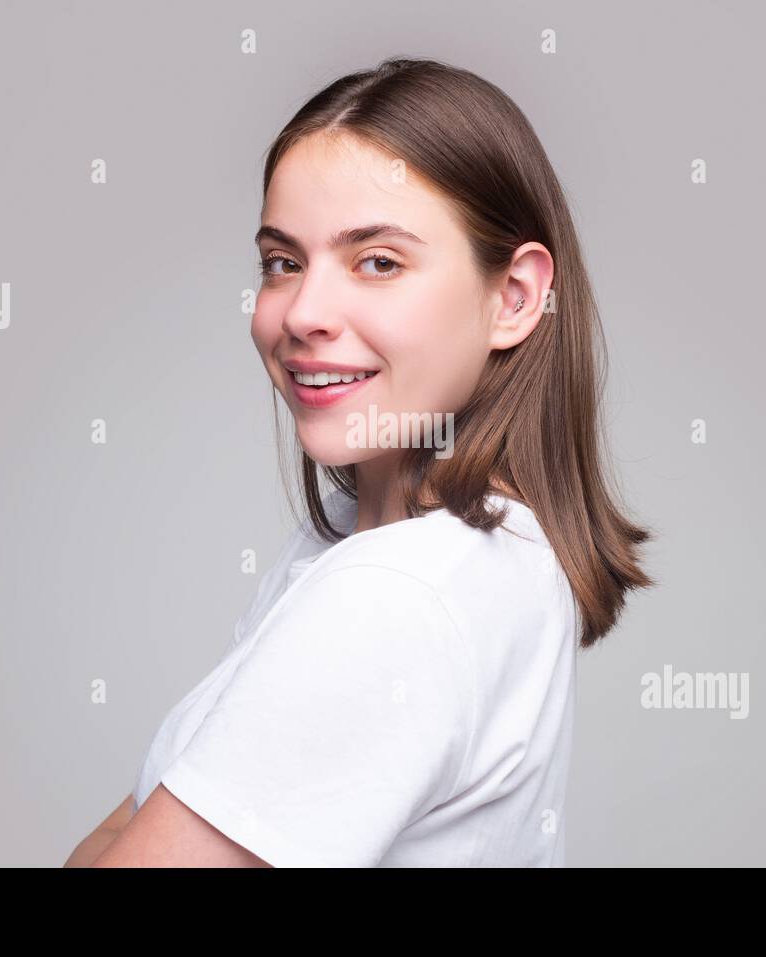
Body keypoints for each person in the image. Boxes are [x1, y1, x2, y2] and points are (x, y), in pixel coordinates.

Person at [64, 55, 655, 868]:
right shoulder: (404, 546)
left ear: (514, 297)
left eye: (378, 261)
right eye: (283, 261)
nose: (303, 312)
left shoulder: (396, 594)